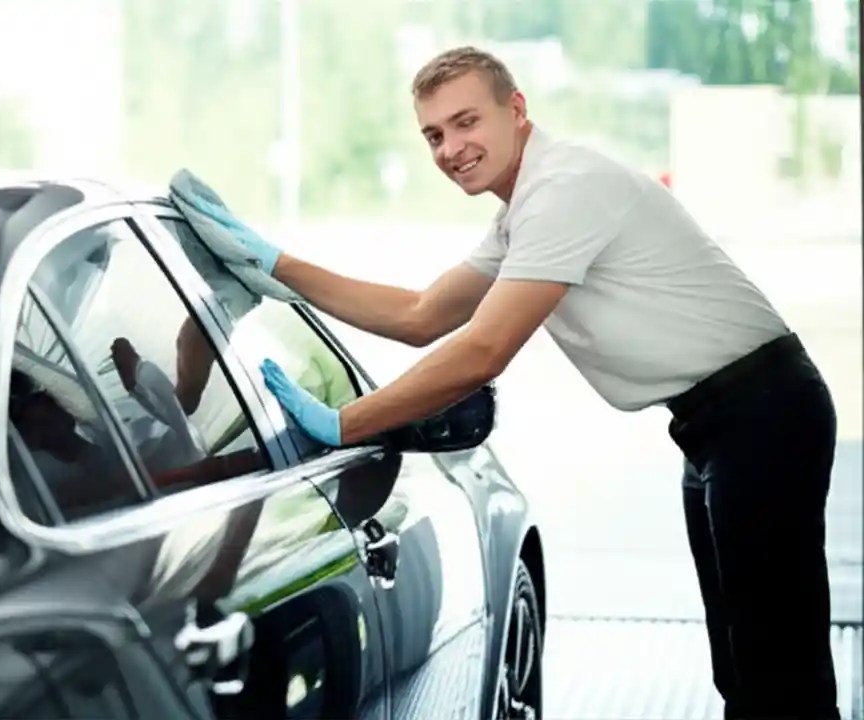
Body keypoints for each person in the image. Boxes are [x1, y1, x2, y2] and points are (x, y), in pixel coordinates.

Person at [218, 45, 839, 720]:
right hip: (720, 427)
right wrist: (277, 265)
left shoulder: (563, 191)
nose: (451, 148)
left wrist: (347, 423)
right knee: (746, 667)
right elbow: (422, 314)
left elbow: (483, 350)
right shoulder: (526, 209)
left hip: (764, 416)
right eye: (433, 134)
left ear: (516, 110)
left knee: (778, 671)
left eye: (466, 122)